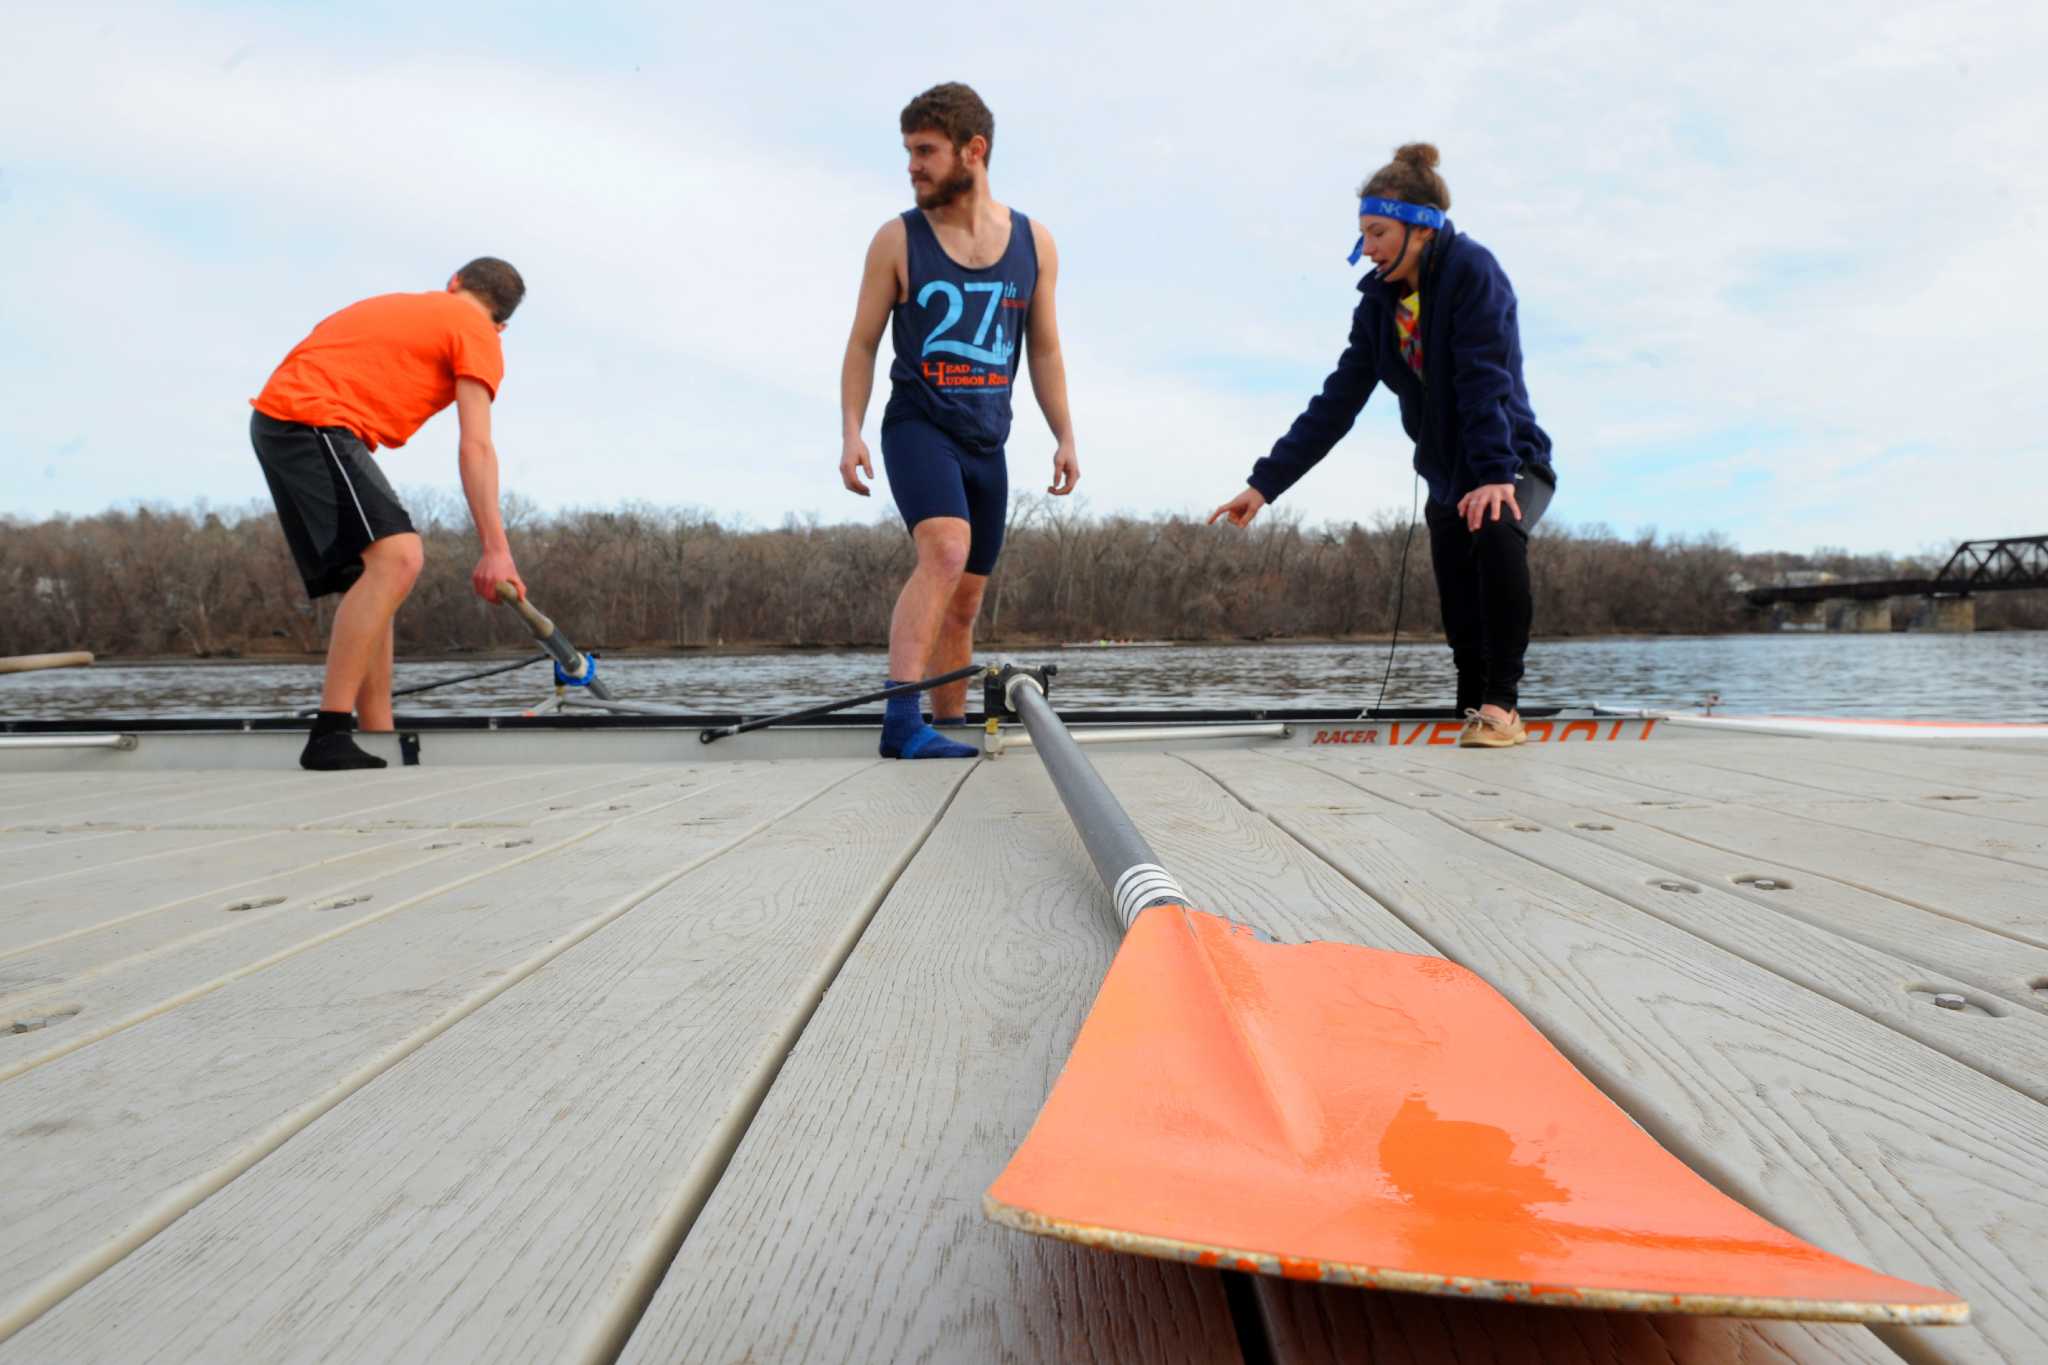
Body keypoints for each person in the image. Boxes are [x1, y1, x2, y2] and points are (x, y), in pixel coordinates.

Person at [1210, 144, 1556, 748]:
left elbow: (1484, 379)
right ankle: (1472, 705)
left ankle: (1502, 707)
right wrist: (1264, 485)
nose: (1366, 248)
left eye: (1377, 232)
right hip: (1449, 471)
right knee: (1456, 591)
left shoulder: (1473, 271)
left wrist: (1495, 474)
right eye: (1363, 234)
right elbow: (1335, 404)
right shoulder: (1378, 310)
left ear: (1420, 228)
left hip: (1510, 458)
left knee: (1497, 532)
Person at [839, 82, 1079, 759]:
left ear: (973, 152)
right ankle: (900, 722)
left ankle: (947, 727)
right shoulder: (898, 240)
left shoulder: (1035, 243)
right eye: (909, 151)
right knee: (943, 551)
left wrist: (1065, 434)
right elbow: (861, 343)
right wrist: (852, 430)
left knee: (967, 600)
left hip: (986, 440)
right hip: (918, 424)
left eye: (926, 151)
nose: (912, 165)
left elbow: (1046, 347)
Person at [250, 259, 529, 770]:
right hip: (312, 421)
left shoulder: (402, 306)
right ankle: (329, 735)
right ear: (502, 324)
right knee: (400, 558)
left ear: (454, 283)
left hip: (283, 421)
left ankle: (376, 730)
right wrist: (495, 549)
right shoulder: (478, 330)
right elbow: (477, 447)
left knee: (374, 573)